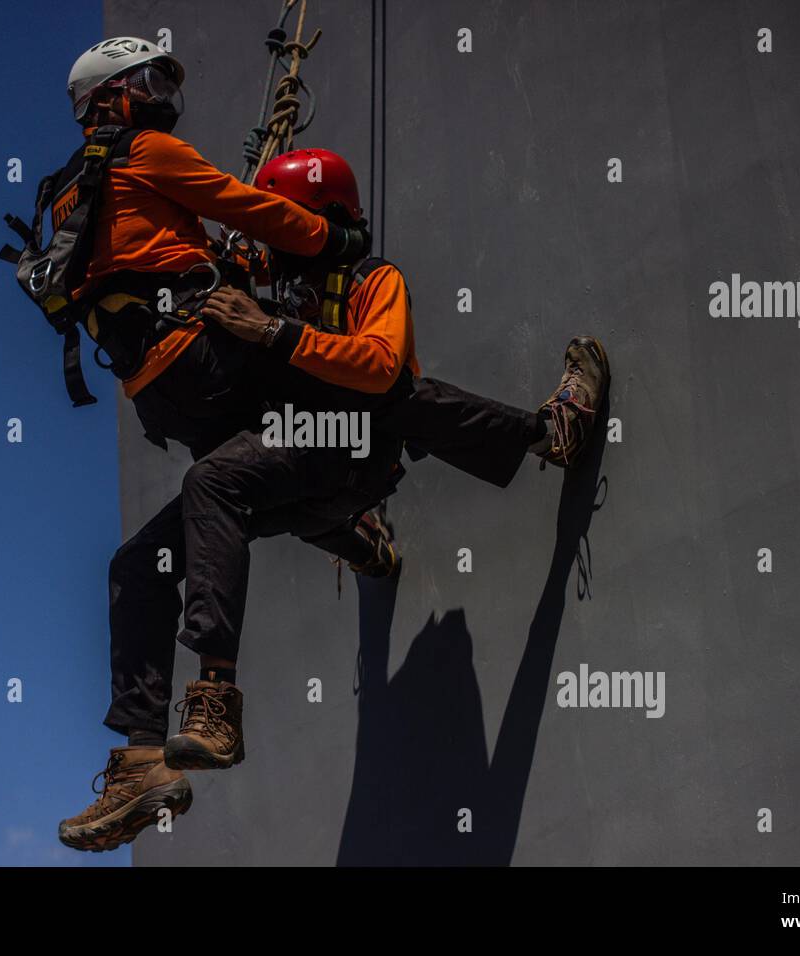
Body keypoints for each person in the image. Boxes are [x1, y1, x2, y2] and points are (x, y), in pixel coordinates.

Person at [59, 145, 609, 853]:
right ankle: (141, 763)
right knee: (140, 562)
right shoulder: (263, 279)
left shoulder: (370, 281)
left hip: (360, 450)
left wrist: (270, 332)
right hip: (301, 473)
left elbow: (380, 367)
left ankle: (549, 433)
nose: (273, 249)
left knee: (379, 410)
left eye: (288, 230)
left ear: (326, 222)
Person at [42, 38, 398, 853]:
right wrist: (333, 242)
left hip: (163, 398)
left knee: (167, 542)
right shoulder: (145, 151)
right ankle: (179, 731)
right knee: (303, 439)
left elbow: (152, 259)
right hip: (208, 354)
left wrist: (216, 263)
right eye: (151, 78)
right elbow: (253, 208)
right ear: (112, 96)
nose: (165, 91)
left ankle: (140, 760)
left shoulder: (71, 194)